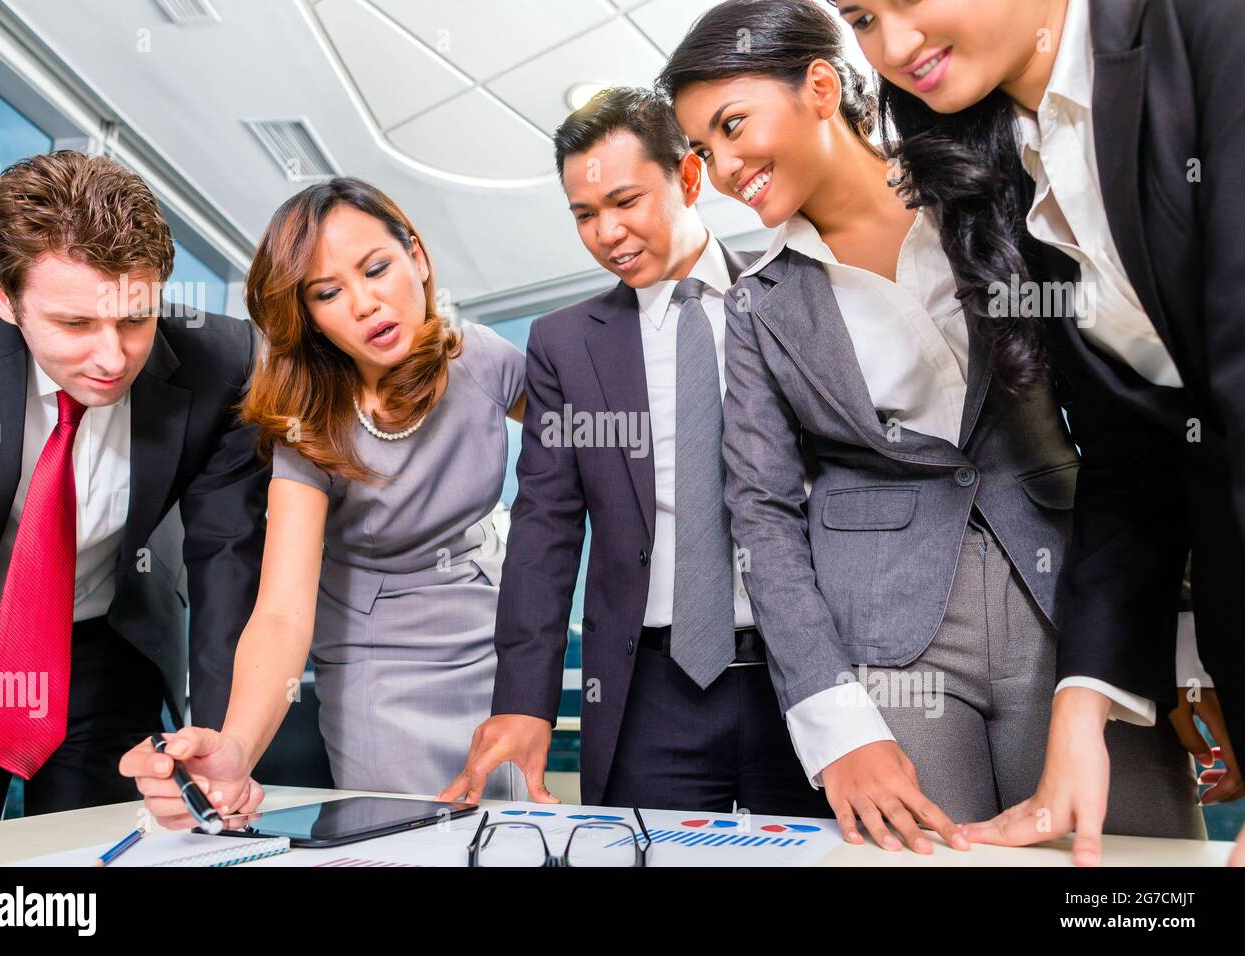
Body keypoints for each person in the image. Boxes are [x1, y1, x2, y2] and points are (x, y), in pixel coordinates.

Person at [658, 0, 1202, 852]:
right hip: (888, 640)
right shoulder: (758, 308)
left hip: (1071, 596)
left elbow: (1129, 426)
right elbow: (760, 515)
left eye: (732, 127)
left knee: (1127, 864)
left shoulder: (998, 189)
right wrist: (840, 728)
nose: (723, 168)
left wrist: (1186, 651)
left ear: (821, 86)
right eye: (702, 151)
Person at [832, 0, 1243, 865]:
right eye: (861, 16)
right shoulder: (1006, 176)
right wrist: (1081, 710)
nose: (895, 47)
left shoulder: (1207, 27)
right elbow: (1132, 460)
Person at [440, 87, 832, 818]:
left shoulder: (794, 289)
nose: (607, 233)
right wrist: (523, 701)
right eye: (584, 215)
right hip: (650, 691)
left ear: (687, 179)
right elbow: (545, 530)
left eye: (626, 201)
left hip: (804, 674)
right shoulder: (565, 345)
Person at [119, 177, 528, 828]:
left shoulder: (481, 360)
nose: (366, 303)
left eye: (376, 268)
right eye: (328, 293)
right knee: (406, 843)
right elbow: (281, 612)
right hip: (379, 676)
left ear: (416, 258)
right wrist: (238, 748)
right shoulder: (310, 428)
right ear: (307, 315)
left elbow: (582, 463)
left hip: (499, 655)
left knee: (510, 841)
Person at [0, 150, 267, 826]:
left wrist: (220, 739)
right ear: (2, 297)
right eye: (74, 325)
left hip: (103, 646)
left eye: (134, 318)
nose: (112, 358)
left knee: (85, 853)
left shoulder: (220, 363)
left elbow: (226, 561)